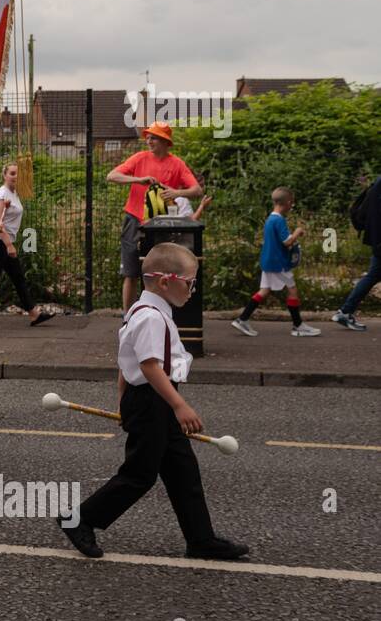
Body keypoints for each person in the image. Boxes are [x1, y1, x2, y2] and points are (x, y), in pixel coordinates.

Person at [60, 242, 248, 561]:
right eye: (190, 282)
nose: (192, 289)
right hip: (153, 401)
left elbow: (126, 362)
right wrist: (178, 405)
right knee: (139, 474)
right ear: (165, 281)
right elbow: (148, 366)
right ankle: (79, 519)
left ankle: (201, 539)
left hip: (151, 399)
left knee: (183, 471)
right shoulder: (151, 318)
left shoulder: (143, 311)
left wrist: (123, 401)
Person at [106, 121, 204, 311]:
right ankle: (128, 318)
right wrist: (138, 179)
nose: (149, 141)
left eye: (154, 138)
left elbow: (197, 190)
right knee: (131, 272)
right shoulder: (139, 158)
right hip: (135, 220)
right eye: (148, 137)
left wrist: (177, 193)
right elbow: (111, 176)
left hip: (161, 225)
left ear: (166, 141)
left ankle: (162, 314)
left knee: (163, 272)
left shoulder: (176, 163)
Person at [231, 186, 320, 337]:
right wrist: (297, 232)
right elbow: (287, 242)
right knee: (292, 290)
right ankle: (298, 326)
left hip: (268, 261)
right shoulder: (279, 221)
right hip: (279, 263)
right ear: (288, 203)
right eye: (292, 203)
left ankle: (242, 319)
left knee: (264, 291)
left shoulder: (270, 219)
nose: (292, 206)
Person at [0, 162, 53, 326]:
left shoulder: (13, 193)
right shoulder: (2, 195)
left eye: (18, 173)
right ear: (5, 175)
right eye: (12, 173)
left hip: (6, 242)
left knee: (17, 278)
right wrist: (9, 245)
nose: (15, 176)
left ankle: (34, 314)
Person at [333, 172, 380, 331]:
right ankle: (345, 311)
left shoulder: (378, 183)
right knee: (373, 275)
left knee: (373, 275)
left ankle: (345, 311)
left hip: (377, 240)